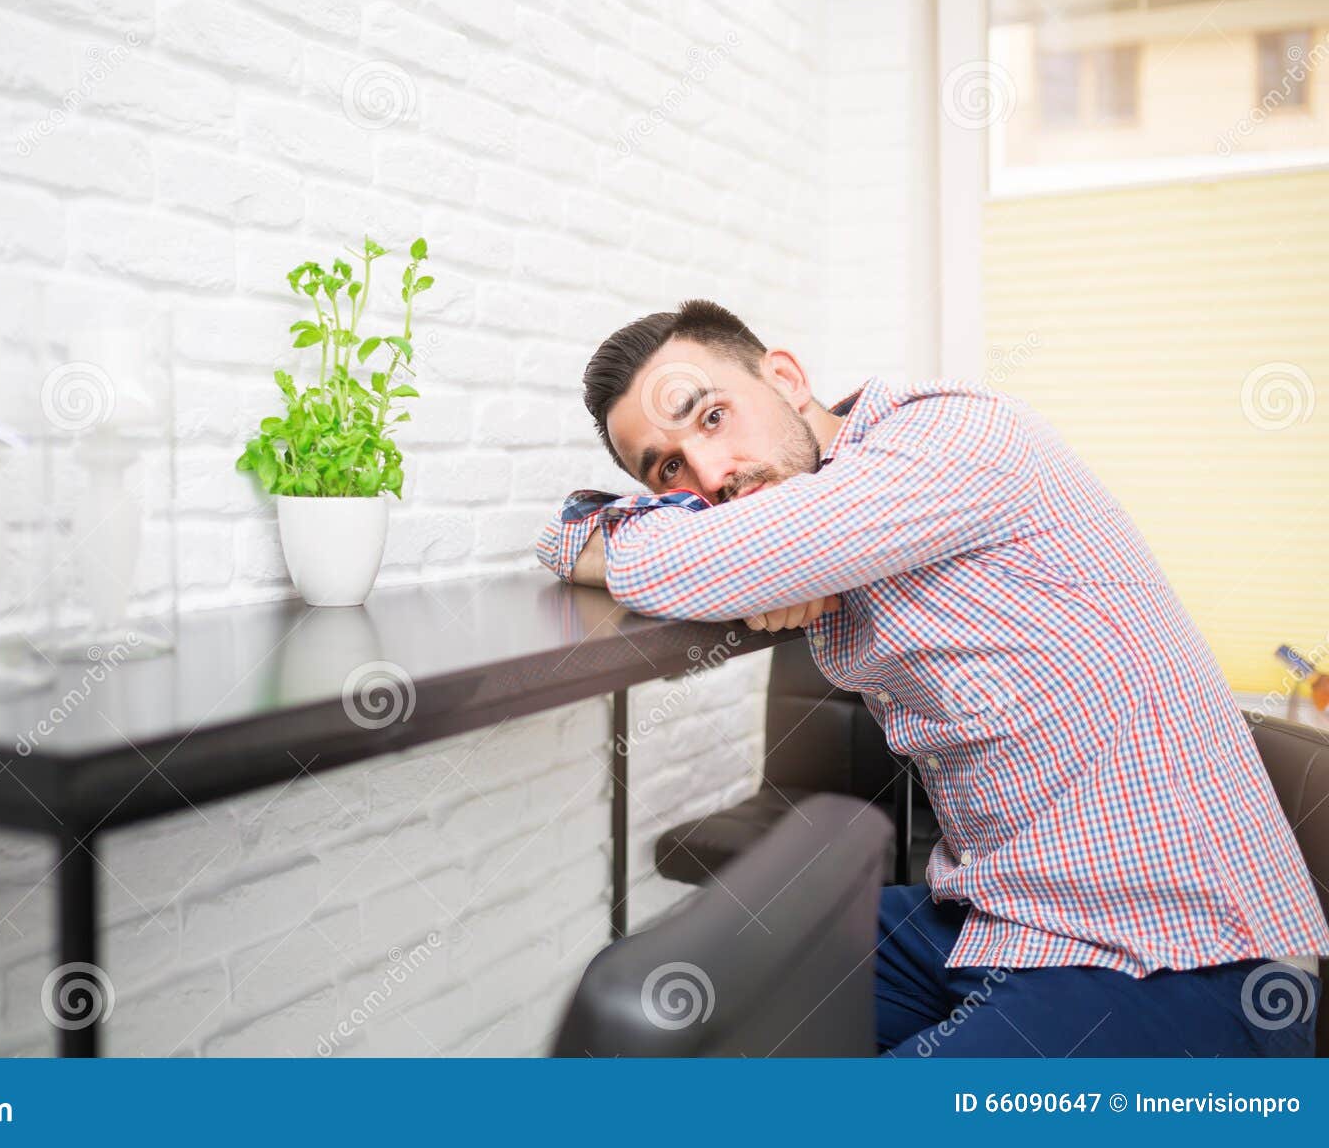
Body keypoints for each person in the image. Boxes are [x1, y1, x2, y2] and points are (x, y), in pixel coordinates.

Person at [534, 299, 1326, 1056]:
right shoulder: (827, 499)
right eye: (668, 468)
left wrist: (748, 549)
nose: (710, 473)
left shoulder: (945, 433)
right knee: (693, 1005)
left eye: (712, 416)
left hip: (1178, 953)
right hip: (1002, 912)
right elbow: (568, 531)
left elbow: (683, 556)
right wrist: (759, 545)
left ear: (784, 376)